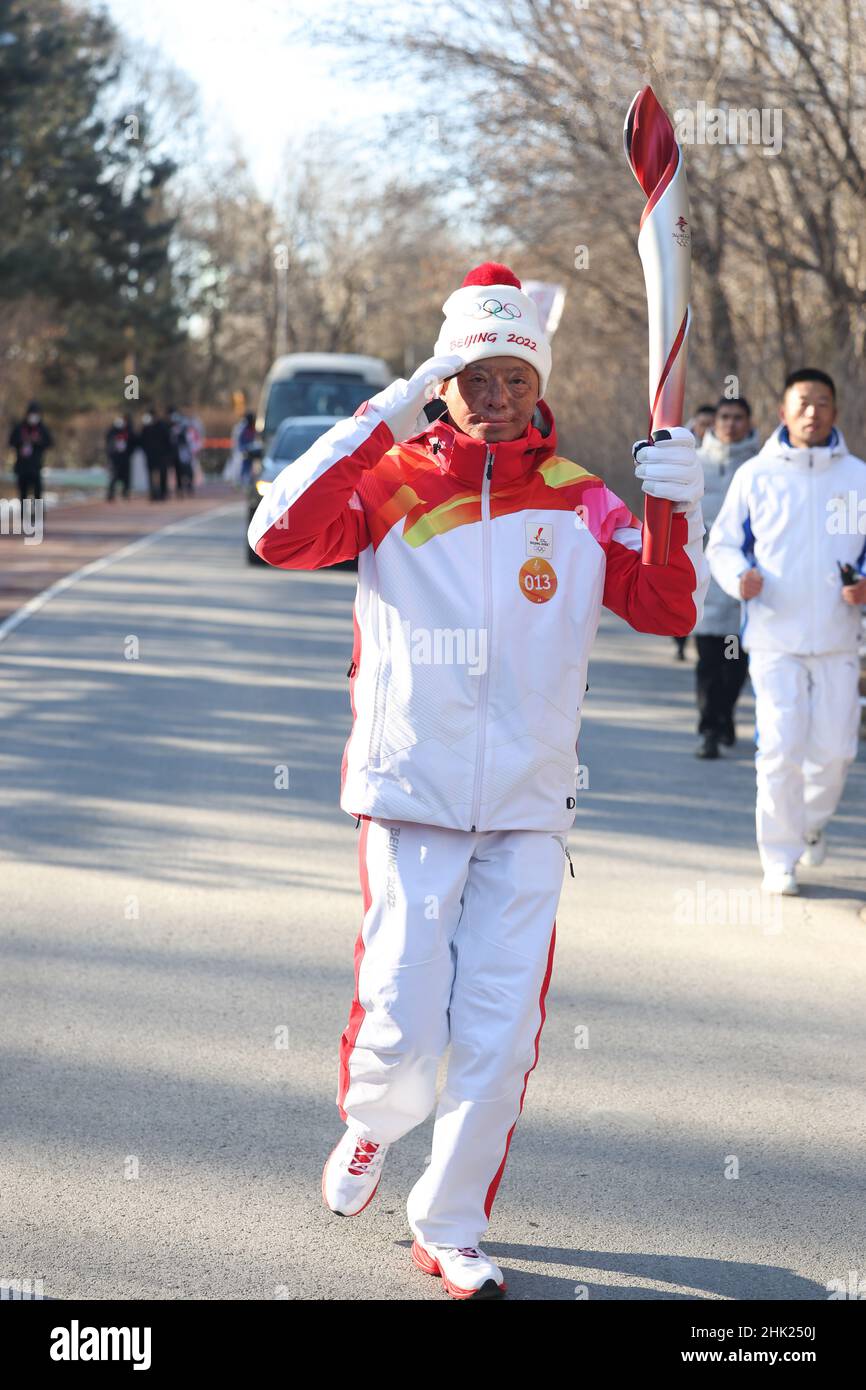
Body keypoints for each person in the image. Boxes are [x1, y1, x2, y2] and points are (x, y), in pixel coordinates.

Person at [248, 262, 709, 1299]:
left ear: (534, 383)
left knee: (499, 1034)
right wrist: (385, 409)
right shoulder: (388, 482)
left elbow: (669, 609)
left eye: (513, 375)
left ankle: (450, 1223)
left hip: (526, 811)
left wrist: (673, 506)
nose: (496, 396)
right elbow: (275, 533)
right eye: (472, 376)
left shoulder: (580, 501)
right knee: (402, 1023)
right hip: (407, 794)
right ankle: (372, 1125)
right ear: (443, 381)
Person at [706, 368, 866, 895]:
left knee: (835, 752)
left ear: (835, 413)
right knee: (779, 748)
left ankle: (810, 823)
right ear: (783, 412)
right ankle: (780, 858)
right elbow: (723, 545)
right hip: (774, 636)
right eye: (802, 402)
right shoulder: (757, 475)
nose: (812, 412)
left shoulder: (857, 478)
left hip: (840, 638)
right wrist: (739, 578)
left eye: (823, 403)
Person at [692, 395, 759, 757]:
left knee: (734, 664)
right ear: (714, 422)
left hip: (744, 580)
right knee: (707, 661)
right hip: (703, 578)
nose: (731, 424)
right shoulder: (696, 464)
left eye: (738, 418)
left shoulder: (760, 466)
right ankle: (709, 729)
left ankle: (725, 715)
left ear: (748, 423)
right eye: (725, 417)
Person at [672, 406, 716, 660]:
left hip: (711, 530)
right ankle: (680, 640)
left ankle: (699, 635)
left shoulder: (717, 455)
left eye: (711, 424)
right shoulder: (681, 451)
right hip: (686, 528)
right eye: (703, 423)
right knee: (682, 582)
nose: (706, 428)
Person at [9, 400, 53, 505]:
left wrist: (37, 442)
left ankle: (38, 519)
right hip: (22, 467)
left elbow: (49, 442)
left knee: (38, 495)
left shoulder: (42, 428)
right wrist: (22, 441)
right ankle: (25, 519)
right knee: (23, 495)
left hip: (36, 467)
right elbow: (11, 441)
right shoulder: (20, 427)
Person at [138, 405, 172, 501]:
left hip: (162, 455)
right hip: (150, 455)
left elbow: (168, 441)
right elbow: (141, 440)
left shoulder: (162, 426)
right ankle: (153, 493)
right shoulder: (146, 427)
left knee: (162, 474)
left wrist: (168, 454)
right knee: (150, 475)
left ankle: (163, 493)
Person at [105, 413, 135, 501]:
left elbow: (133, 442)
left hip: (125, 458)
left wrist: (129, 452)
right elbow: (108, 442)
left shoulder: (128, 431)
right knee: (113, 476)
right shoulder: (112, 431)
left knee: (126, 477)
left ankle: (125, 493)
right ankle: (111, 494)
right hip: (115, 458)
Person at [167, 406, 193, 496]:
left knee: (186, 469)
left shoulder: (184, 425)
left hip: (184, 451)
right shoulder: (170, 427)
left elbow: (188, 438)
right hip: (175, 452)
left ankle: (189, 486)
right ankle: (179, 488)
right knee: (177, 470)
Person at [238, 412, 258, 485]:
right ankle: (242, 482)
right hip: (246, 451)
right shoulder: (246, 430)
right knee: (245, 466)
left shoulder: (251, 429)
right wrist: (244, 449)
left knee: (249, 466)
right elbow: (241, 442)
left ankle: (246, 482)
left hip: (251, 451)